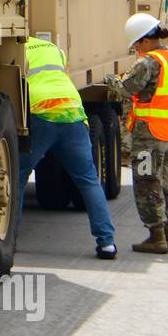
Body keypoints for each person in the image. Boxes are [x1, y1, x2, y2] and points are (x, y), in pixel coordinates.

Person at [20, 36, 117, 259]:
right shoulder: (54, 48)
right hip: (72, 111)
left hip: (41, 112)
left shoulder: (16, 47)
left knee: (19, 177)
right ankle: (107, 244)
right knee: (89, 181)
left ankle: (8, 239)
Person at [105, 14, 168, 254]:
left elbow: (126, 88)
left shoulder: (148, 62)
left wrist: (111, 79)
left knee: (146, 183)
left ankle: (156, 236)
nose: (137, 49)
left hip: (150, 134)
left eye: (137, 44)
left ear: (144, 40)